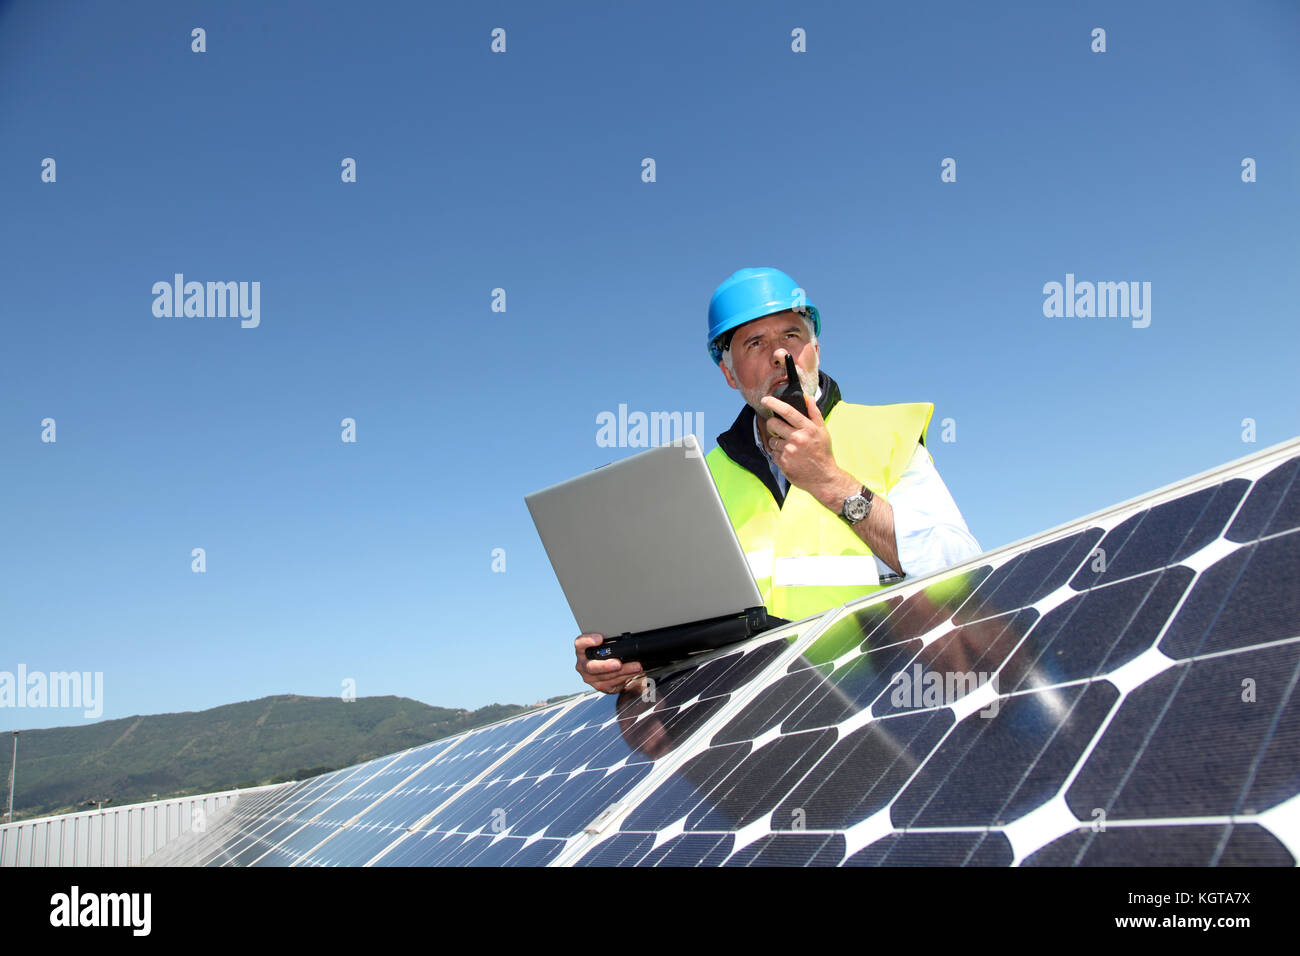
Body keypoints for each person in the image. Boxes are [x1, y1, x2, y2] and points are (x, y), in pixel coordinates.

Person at [575, 267, 982, 694]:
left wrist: (832, 484)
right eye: (755, 343)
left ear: (815, 349)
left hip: (881, 693)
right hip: (747, 709)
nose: (778, 355)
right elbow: (677, 622)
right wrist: (623, 657)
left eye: (791, 335)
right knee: (637, 717)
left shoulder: (888, 433)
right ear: (730, 375)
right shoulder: (701, 479)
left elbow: (963, 571)